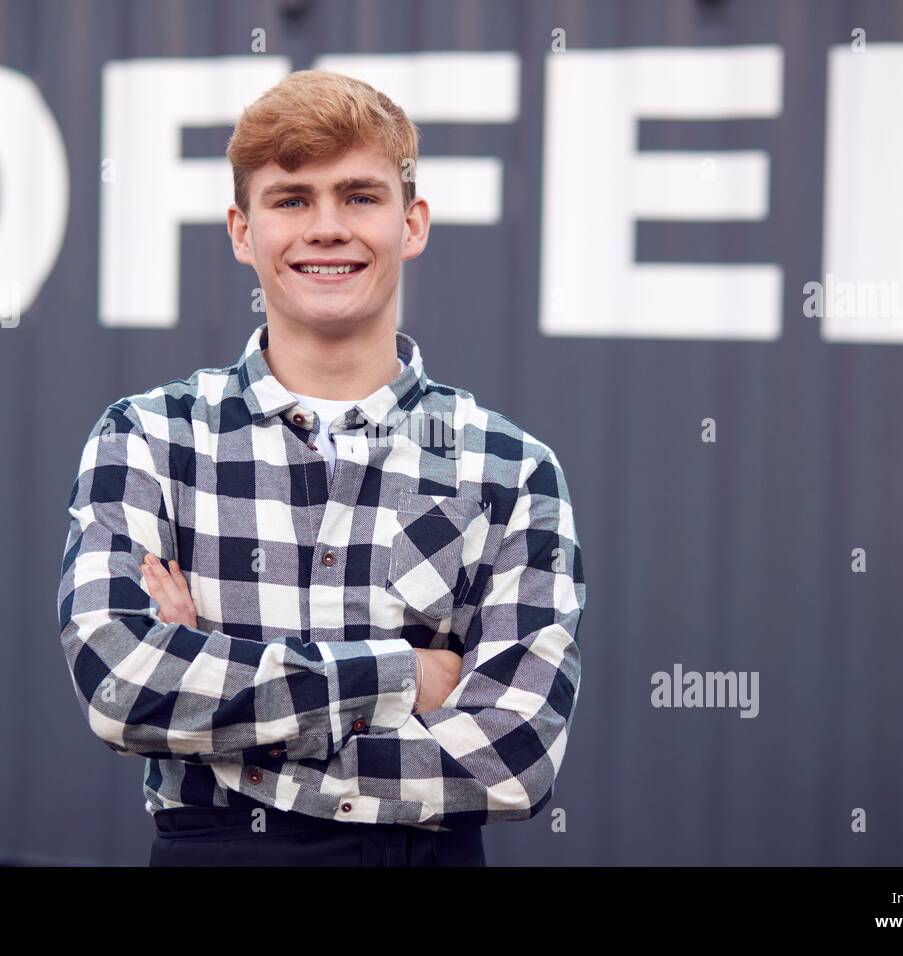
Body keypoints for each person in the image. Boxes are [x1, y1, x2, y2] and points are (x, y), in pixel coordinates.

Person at [57, 69, 586, 867]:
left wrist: (217, 720)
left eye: (360, 197)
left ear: (413, 224)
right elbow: (122, 686)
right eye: (292, 199)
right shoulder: (152, 439)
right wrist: (399, 673)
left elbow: (511, 763)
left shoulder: (509, 468)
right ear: (242, 231)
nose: (327, 227)